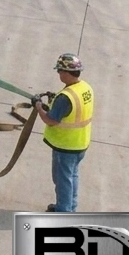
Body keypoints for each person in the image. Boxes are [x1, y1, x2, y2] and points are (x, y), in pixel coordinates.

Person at [35, 53, 93, 212]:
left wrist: (38, 107)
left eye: (60, 71)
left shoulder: (65, 97)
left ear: (66, 73)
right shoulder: (85, 87)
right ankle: (69, 207)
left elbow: (51, 120)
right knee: (71, 177)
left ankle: (63, 213)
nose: (59, 74)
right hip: (80, 143)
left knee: (62, 180)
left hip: (66, 146)